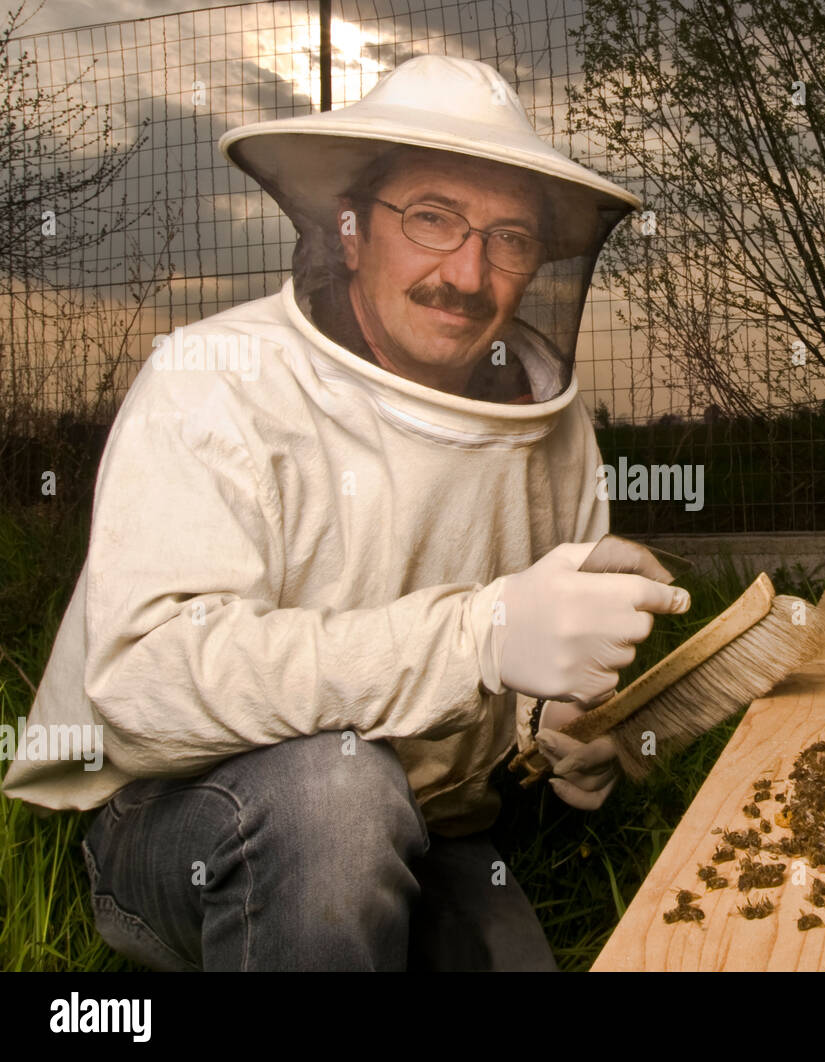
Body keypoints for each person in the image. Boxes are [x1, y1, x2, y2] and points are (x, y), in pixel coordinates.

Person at [1, 55, 688, 971]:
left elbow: (526, 676)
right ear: (353, 232)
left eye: (510, 238)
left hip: (431, 826)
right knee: (337, 795)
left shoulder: (553, 424)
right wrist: (474, 636)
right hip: (181, 816)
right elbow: (140, 684)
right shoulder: (215, 382)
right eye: (433, 219)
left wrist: (572, 727)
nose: (468, 271)